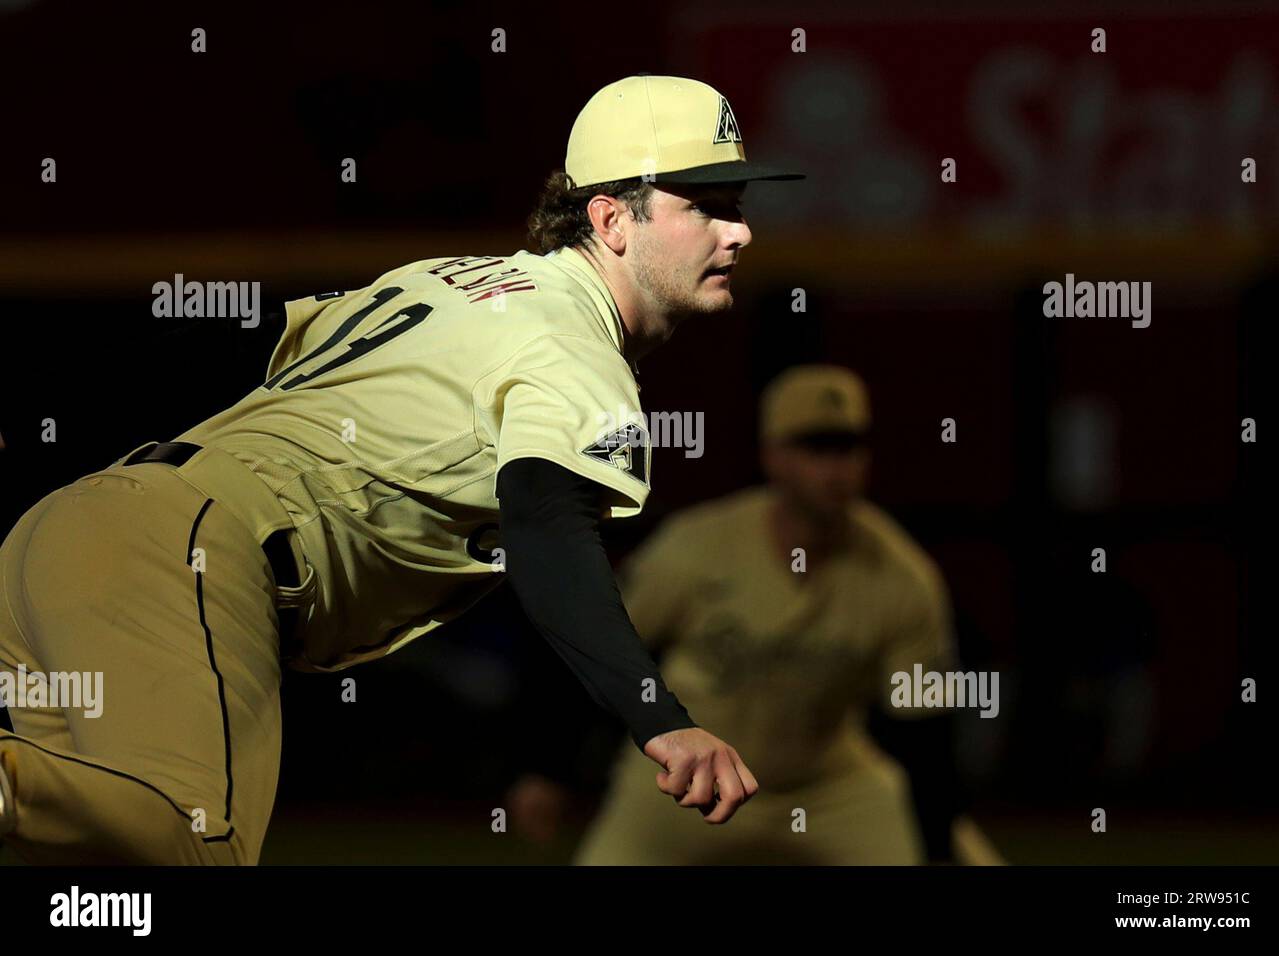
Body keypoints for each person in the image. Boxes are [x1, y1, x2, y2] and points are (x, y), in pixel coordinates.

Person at [0, 75, 803, 864]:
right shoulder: (575, 353)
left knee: (86, 863)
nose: (739, 233)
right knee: (191, 839)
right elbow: (549, 530)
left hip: (66, 532)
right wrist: (659, 717)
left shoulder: (450, 280)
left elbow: (223, 345)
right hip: (194, 554)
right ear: (609, 220)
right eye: (707, 205)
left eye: (737, 205)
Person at [542, 365, 1004, 864]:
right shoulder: (698, 546)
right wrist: (546, 769)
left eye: (848, 448)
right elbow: (597, 649)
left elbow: (925, 734)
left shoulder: (902, 576)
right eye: (815, 447)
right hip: (689, 776)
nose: (836, 467)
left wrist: (934, 845)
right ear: (773, 456)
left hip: (828, 785)